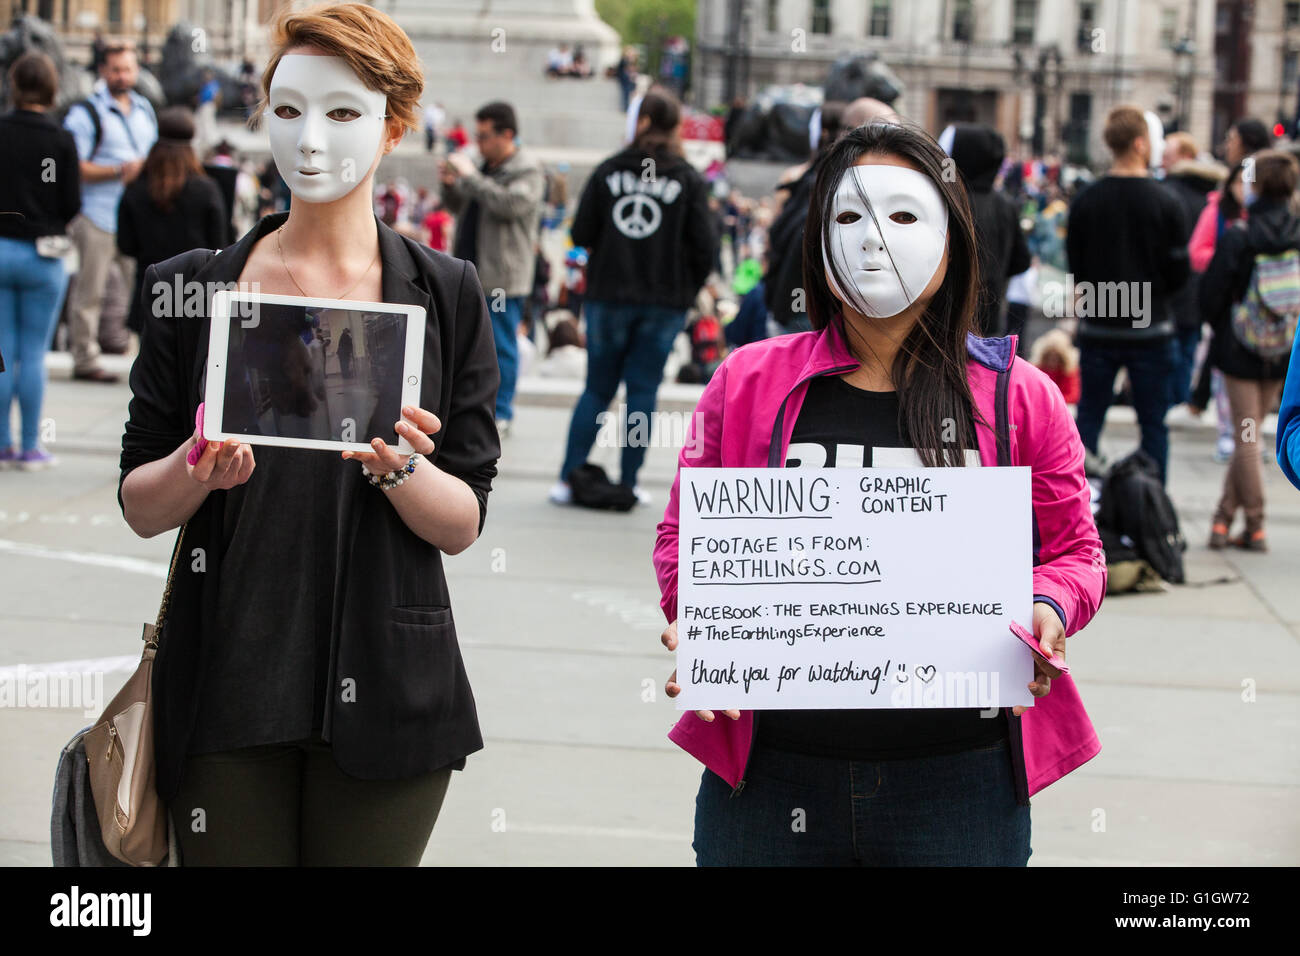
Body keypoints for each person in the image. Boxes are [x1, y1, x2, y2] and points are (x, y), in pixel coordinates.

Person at [654, 122, 1104, 866]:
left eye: (902, 215)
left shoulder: (1021, 397)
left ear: (952, 238)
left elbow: (1075, 550)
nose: (874, 242)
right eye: (849, 216)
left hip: (960, 782)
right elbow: (681, 539)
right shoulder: (745, 382)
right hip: (771, 776)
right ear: (819, 241)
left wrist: (1049, 606)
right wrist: (698, 611)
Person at [117, 1, 501, 866]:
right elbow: (141, 505)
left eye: (342, 113)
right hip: (226, 687)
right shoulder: (194, 290)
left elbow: (464, 519)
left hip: (391, 690)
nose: (311, 141)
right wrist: (197, 465)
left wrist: (403, 472)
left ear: (394, 128)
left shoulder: (445, 292)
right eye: (287, 111)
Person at [551, 88, 716, 506]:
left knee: (597, 389)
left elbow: (582, 233)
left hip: (608, 297)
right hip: (664, 304)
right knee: (642, 393)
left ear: (639, 121)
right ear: (676, 125)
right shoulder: (687, 178)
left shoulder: (609, 171)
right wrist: (685, 291)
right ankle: (629, 482)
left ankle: (569, 477)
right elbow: (706, 248)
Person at [1066, 105, 1189, 485]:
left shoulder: (1086, 199)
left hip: (1100, 326)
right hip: (1150, 328)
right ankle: (1153, 510)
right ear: (1139, 144)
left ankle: (1080, 504)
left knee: (1087, 422)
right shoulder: (1166, 201)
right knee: (1153, 424)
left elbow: (1078, 265)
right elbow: (1179, 270)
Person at [1200, 149, 1300, 552]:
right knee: (1250, 431)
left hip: (1241, 350)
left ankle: (1255, 523)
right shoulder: (1296, 232)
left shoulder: (1242, 235)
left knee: (1246, 437)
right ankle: (1223, 520)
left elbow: (1211, 296)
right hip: (1282, 349)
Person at [440, 100, 545, 433]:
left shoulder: (527, 168)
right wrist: (450, 184)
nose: (479, 143)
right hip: (469, 270)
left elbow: (509, 204)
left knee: (501, 345)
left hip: (502, 276)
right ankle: (469, 407)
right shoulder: (482, 167)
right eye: (478, 135)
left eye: (485, 136)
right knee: (465, 343)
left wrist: (470, 177)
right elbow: (459, 205)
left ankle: (501, 412)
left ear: (507, 135)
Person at [0, 52, 81, 470]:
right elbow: (72, 202)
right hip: (42, 252)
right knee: (32, 354)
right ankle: (30, 445)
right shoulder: (60, 139)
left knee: (2, 350)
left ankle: (1, 441)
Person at [63, 41, 158, 382]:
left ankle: (141, 357)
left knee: (143, 290)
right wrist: (119, 171)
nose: (123, 76)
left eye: (129, 69)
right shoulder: (85, 114)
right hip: (98, 215)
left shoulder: (145, 109)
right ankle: (84, 357)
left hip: (137, 218)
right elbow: (73, 166)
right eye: (117, 69)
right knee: (91, 290)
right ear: (103, 71)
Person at [116, 107, 228, 336]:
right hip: (194, 292)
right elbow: (221, 245)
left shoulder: (136, 188)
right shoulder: (207, 189)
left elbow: (125, 245)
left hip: (149, 287)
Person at [939, 122, 1031, 336]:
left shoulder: (949, 203)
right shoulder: (1005, 205)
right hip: (990, 320)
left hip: (947, 319)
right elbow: (1022, 260)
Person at [1161, 131, 1227, 406]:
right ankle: (1181, 402)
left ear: (1185, 157)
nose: (1162, 160)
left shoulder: (1167, 192)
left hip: (1166, 290)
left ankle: (1169, 403)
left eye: (1168, 155)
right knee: (1187, 349)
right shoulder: (1216, 196)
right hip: (1199, 290)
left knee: (1167, 352)